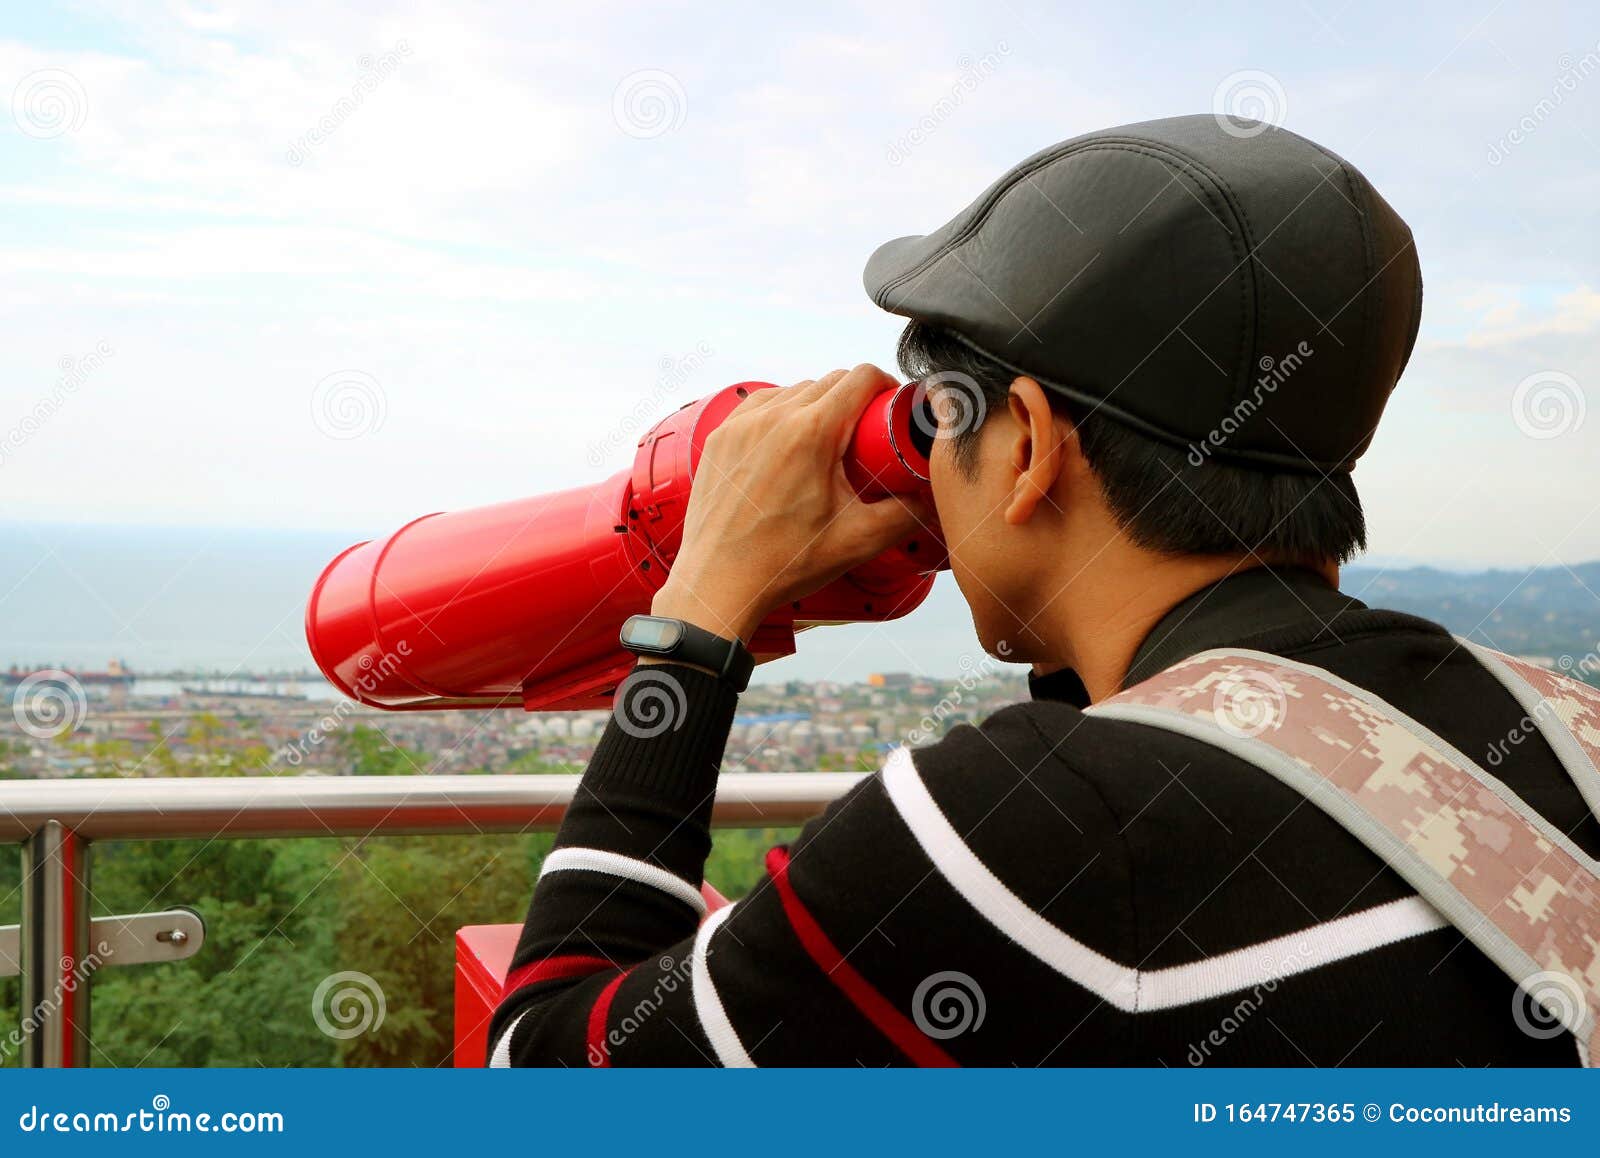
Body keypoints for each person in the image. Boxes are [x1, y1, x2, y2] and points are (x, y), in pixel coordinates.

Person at [487, 115, 1597, 1066]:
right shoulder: (1563, 730)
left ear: (1022, 445)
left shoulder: (1019, 832)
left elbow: (542, 1070)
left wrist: (701, 610)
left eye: (933, 416)